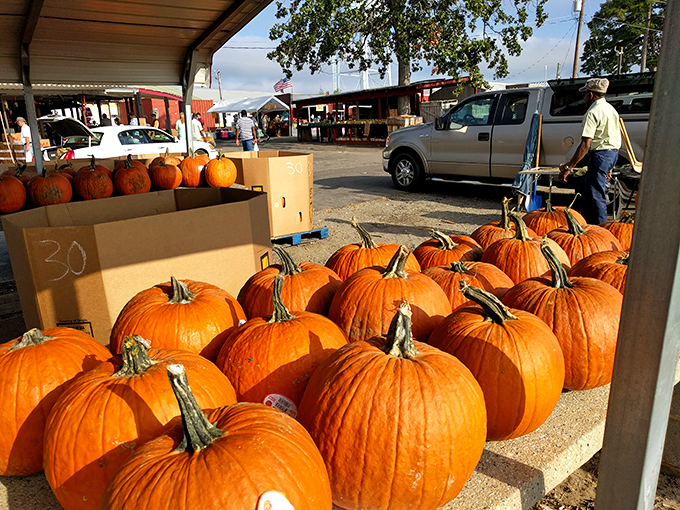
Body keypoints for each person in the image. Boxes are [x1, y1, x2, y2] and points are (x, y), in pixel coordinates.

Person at [559, 77, 621, 225]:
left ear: (591, 95)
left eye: (585, 94)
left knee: (595, 194)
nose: (584, 97)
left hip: (600, 155)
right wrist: (610, 165)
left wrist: (569, 167)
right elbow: (615, 138)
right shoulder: (611, 110)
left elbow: (586, 144)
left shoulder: (592, 113)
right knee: (584, 190)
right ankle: (585, 223)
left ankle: (601, 228)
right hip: (611, 153)